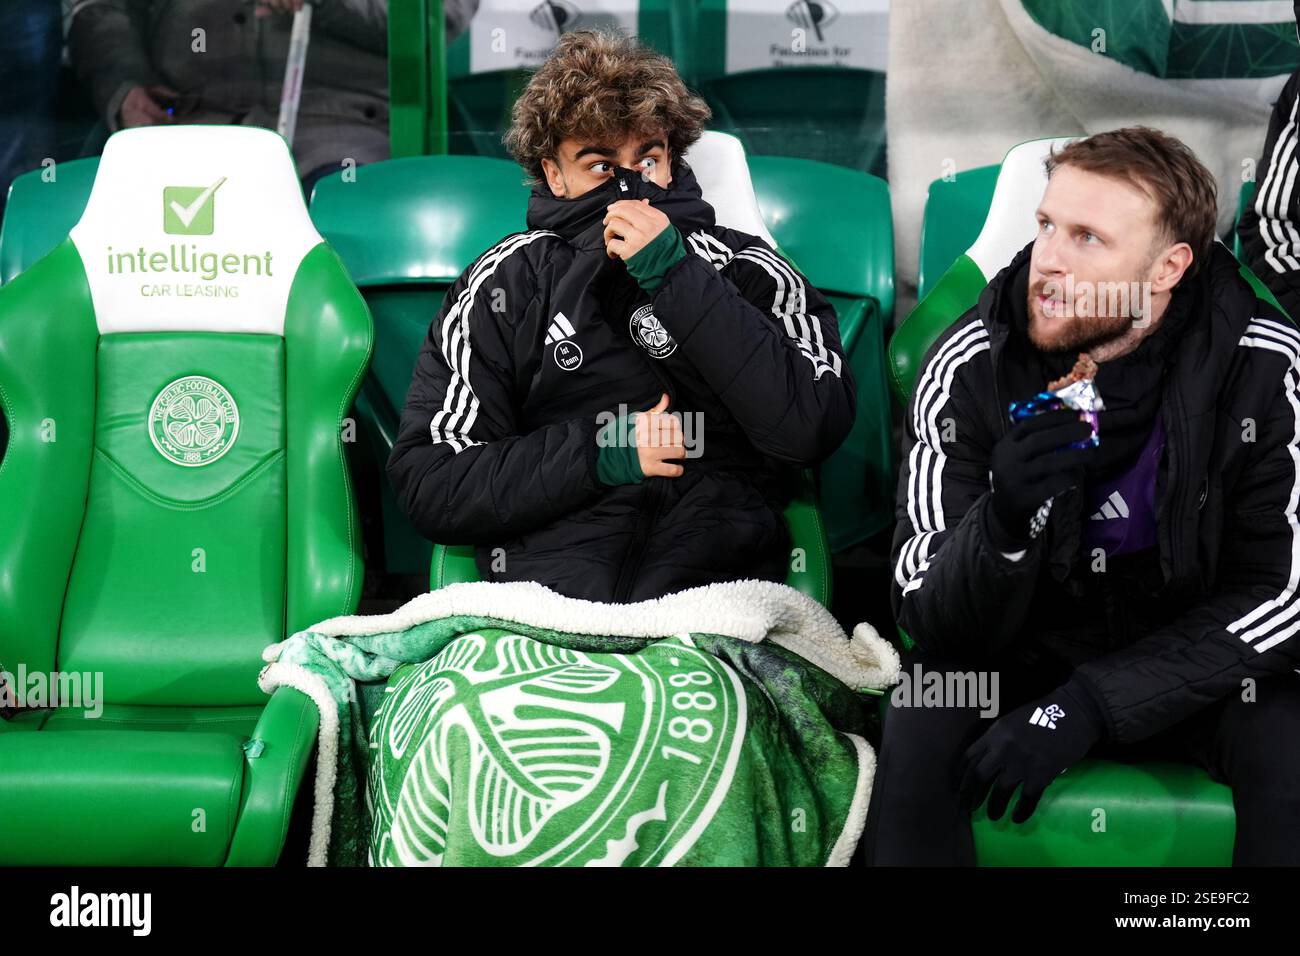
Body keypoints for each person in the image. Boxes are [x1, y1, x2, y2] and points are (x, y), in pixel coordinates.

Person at [869, 127, 1300, 866]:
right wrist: (1000, 528)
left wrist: (1091, 705)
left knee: (1290, 743)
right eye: (1046, 226)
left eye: (1088, 239)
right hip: (1020, 650)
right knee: (921, 711)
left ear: (1167, 268)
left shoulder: (1263, 365)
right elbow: (926, 615)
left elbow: (1280, 594)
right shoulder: (968, 366)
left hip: (1196, 654)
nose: (1050, 261)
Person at [387, 29, 855, 603]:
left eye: (648, 160)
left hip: (712, 601)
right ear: (554, 174)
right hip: (540, 604)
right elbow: (432, 482)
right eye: (601, 166)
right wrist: (604, 451)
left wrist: (675, 274)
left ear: (673, 160)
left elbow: (809, 427)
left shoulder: (750, 269)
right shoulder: (506, 281)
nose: (631, 186)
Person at [67, 0, 478, 192]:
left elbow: (439, 16)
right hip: (187, 120)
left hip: (341, 126)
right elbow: (100, 9)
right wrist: (122, 83)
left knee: (346, 227)